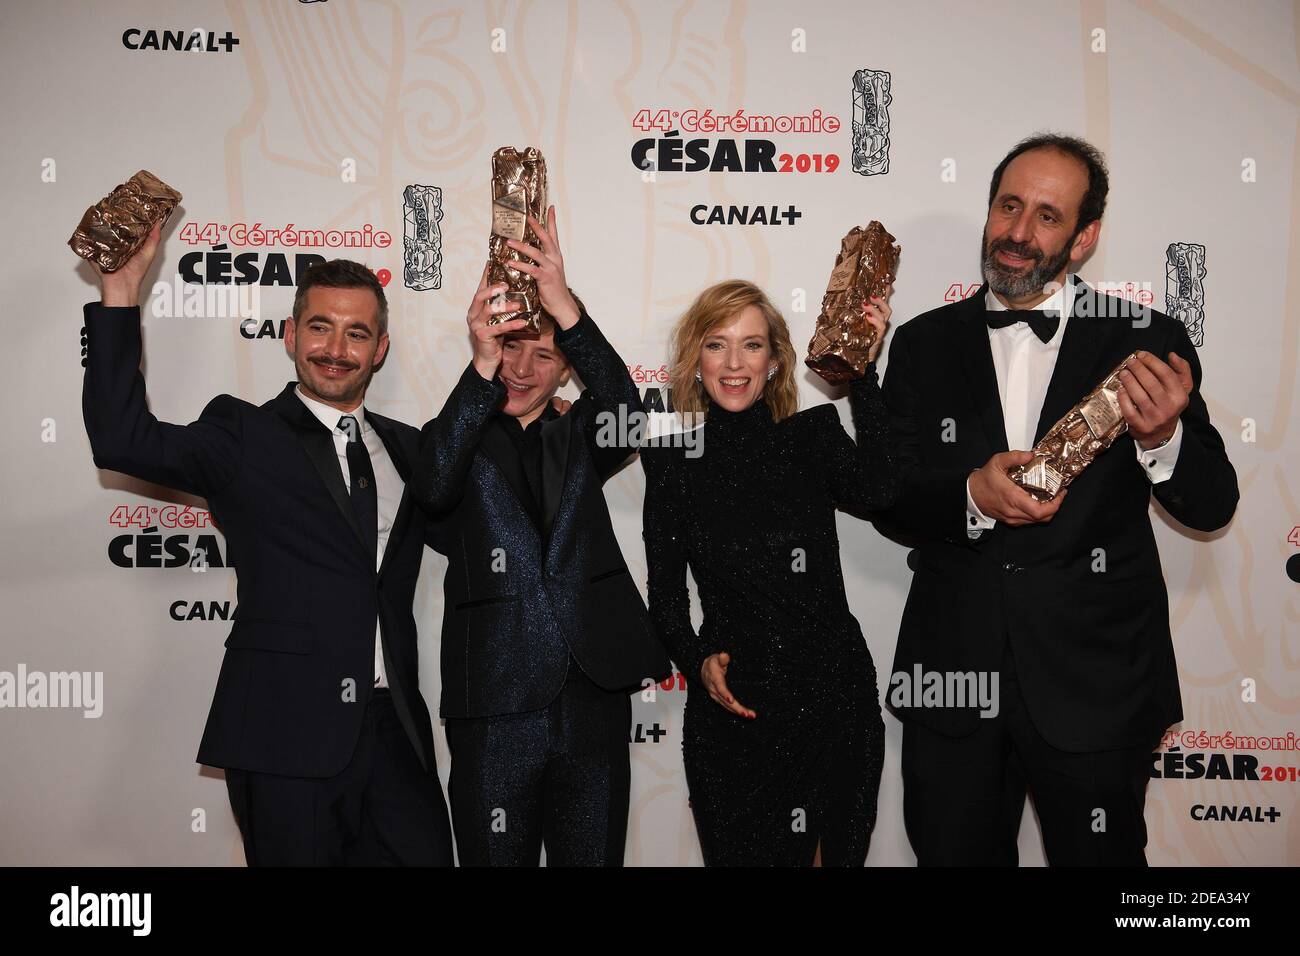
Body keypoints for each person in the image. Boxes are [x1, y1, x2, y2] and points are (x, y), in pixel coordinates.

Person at [877, 133, 1238, 866]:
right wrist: (971, 496)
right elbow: (889, 497)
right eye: (1008, 206)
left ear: (1085, 237)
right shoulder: (922, 344)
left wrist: (1161, 436)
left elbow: (1212, 505)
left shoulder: (1146, 341)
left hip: (1096, 682)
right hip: (953, 678)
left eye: (1047, 215)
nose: (1017, 232)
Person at [82, 223, 453, 865]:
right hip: (285, 736)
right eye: (319, 327)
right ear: (289, 334)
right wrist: (120, 293)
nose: (335, 348)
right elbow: (122, 441)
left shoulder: (409, 447)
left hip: (396, 738)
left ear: (381, 348)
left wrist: (543, 425)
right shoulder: (243, 434)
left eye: (356, 333)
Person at [414, 207, 671, 866]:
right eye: (509, 347)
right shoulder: (457, 432)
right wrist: (477, 366)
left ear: (566, 368)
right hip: (494, 703)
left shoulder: (581, 434)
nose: (520, 369)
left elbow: (628, 418)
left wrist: (566, 308)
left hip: (592, 698)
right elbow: (434, 488)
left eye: (544, 353)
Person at [641, 279, 897, 866]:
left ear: (775, 360)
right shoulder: (673, 463)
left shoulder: (813, 438)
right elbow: (666, 597)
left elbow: (882, 490)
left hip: (834, 702)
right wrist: (697, 659)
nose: (734, 363)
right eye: (716, 344)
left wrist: (862, 371)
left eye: (752, 345)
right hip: (736, 715)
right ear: (694, 358)